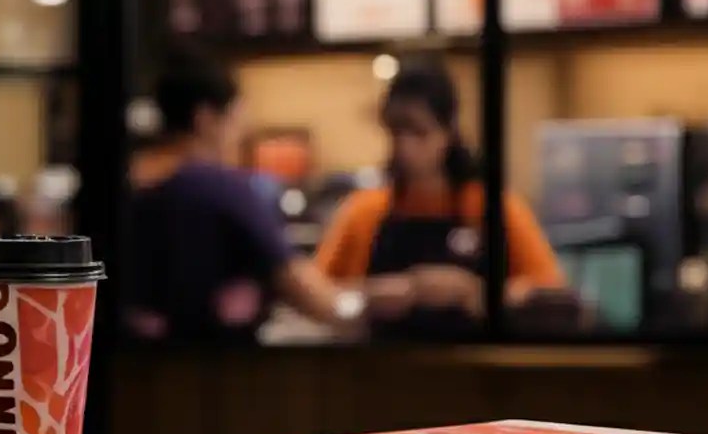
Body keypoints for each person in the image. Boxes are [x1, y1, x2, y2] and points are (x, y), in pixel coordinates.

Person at [127, 52, 387, 344]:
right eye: (235, 121)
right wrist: (373, 305)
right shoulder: (221, 189)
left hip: (129, 370)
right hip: (209, 374)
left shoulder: (131, 182)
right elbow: (308, 293)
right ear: (205, 119)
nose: (239, 136)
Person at [316, 62, 564, 336]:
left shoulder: (493, 207)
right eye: (396, 133)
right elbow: (316, 297)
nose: (405, 147)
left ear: (449, 132)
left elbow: (549, 293)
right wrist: (368, 296)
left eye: (419, 133)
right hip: (382, 370)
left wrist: (473, 293)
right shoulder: (364, 212)